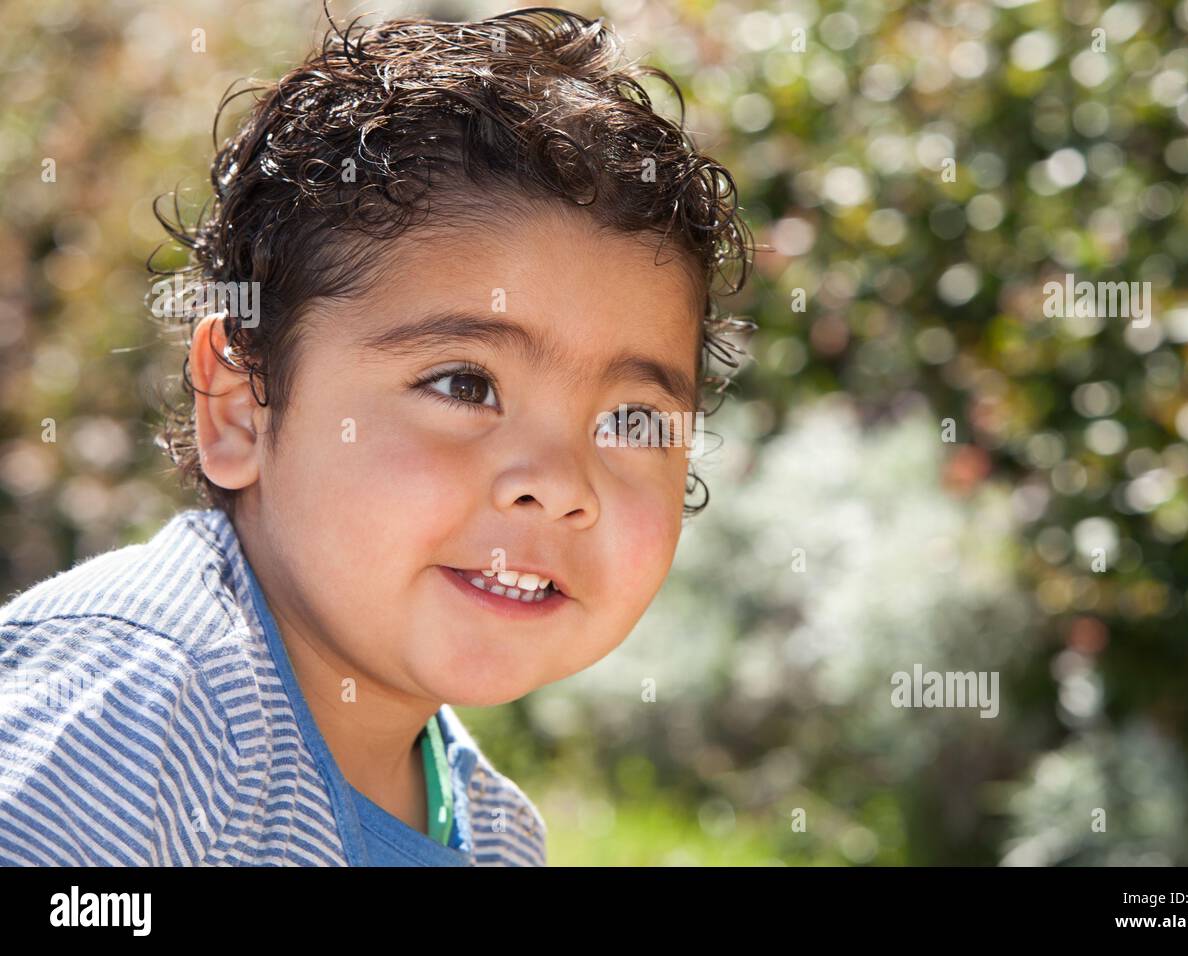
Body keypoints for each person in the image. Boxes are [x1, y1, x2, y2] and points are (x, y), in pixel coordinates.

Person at [0, 6, 753, 865]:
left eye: (630, 421)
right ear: (243, 406)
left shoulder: (496, 835)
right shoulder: (132, 717)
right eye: (465, 385)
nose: (558, 483)